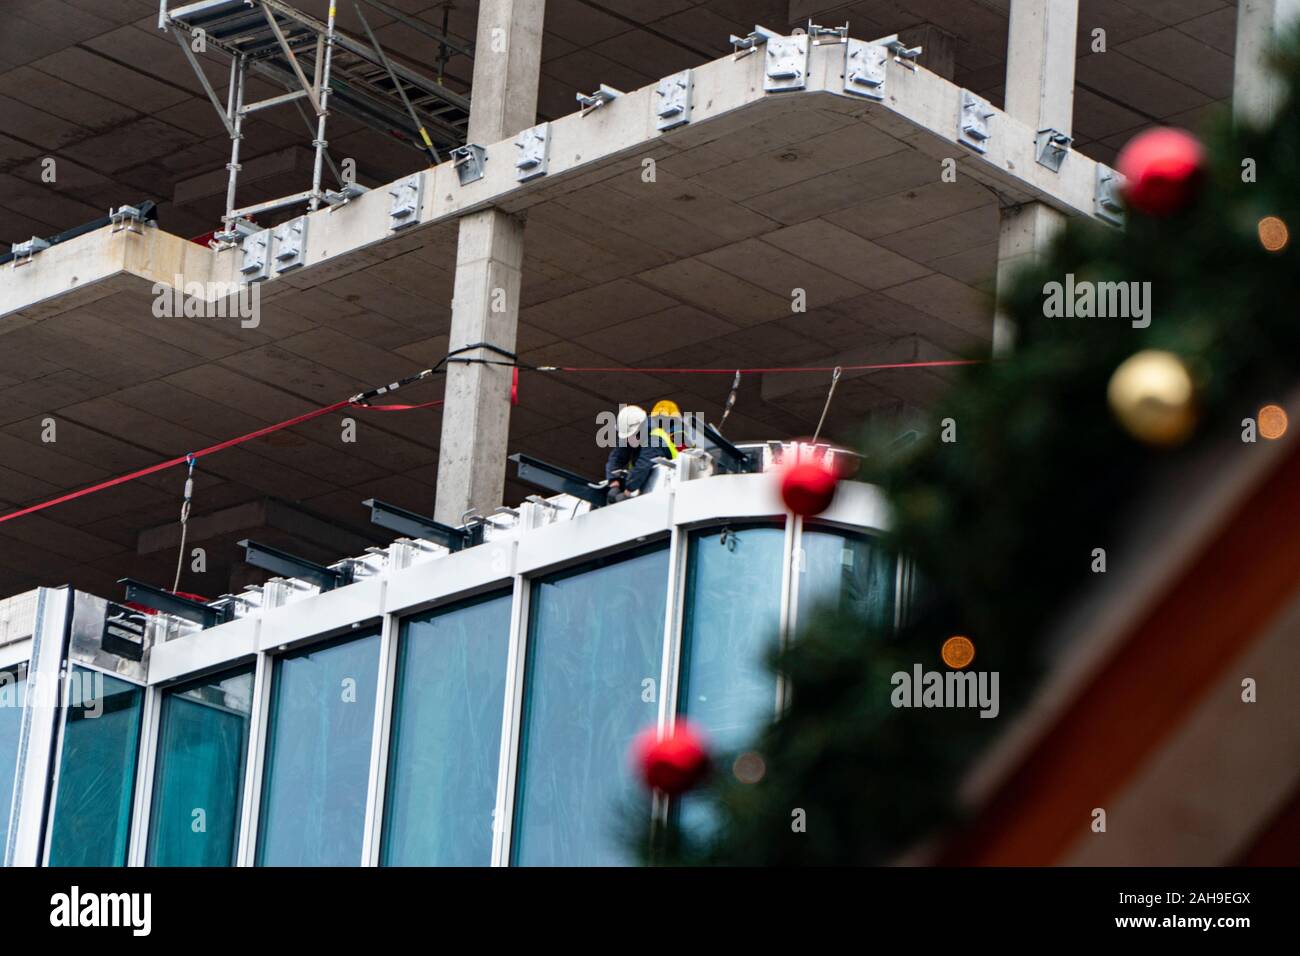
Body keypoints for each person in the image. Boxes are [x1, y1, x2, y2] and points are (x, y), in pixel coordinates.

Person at [604, 404, 674, 503]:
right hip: (647, 483)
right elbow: (617, 457)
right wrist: (614, 482)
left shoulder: (655, 438)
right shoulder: (634, 433)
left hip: (667, 485)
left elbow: (643, 465)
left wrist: (627, 491)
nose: (628, 439)